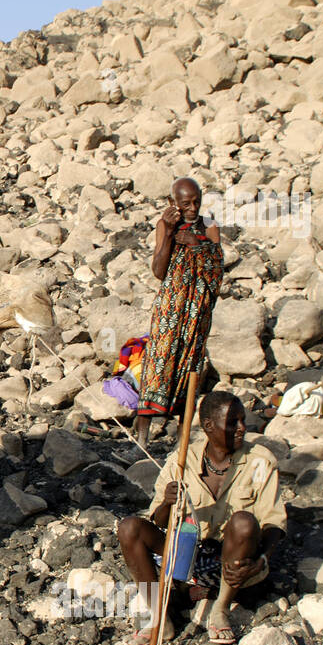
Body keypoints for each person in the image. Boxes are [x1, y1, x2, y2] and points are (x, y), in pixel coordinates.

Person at [117, 391, 286, 645]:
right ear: (208, 426)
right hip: (186, 556)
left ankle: (220, 610)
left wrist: (262, 558)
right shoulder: (182, 459)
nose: (242, 428)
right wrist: (167, 502)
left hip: (231, 562)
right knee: (129, 527)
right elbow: (159, 521)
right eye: (233, 423)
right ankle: (159, 617)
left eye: (242, 420)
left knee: (243, 522)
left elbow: (274, 523)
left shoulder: (260, 461)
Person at [134, 177, 224, 448]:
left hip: (197, 312)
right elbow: (159, 271)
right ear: (172, 203)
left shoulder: (209, 228)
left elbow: (217, 271)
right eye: (186, 204)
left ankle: (181, 437)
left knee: (190, 367)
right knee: (157, 364)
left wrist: (197, 246)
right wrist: (172, 234)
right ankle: (142, 437)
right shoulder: (165, 225)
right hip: (170, 308)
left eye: (197, 201)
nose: (193, 208)